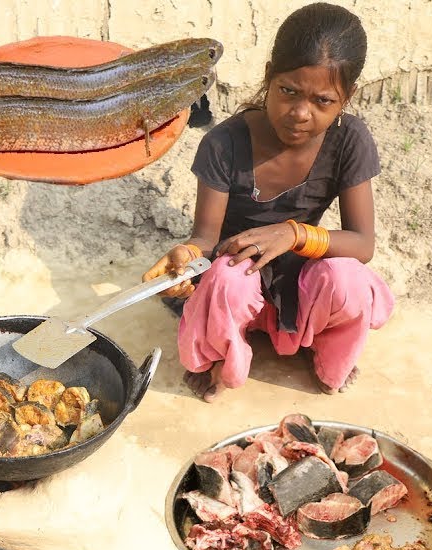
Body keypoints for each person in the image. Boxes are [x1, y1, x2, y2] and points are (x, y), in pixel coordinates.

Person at [142, 2, 392, 402]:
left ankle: (328, 356)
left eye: (323, 101)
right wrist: (187, 255)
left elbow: (363, 244)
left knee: (348, 279)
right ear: (268, 77)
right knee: (226, 275)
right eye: (288, 91)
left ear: (347, 98)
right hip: (238, 284)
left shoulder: (349, 141)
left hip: (305, 285)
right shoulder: (224, 144)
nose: (299, 113)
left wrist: (291, 234)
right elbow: (205, 238)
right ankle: (222, 356)